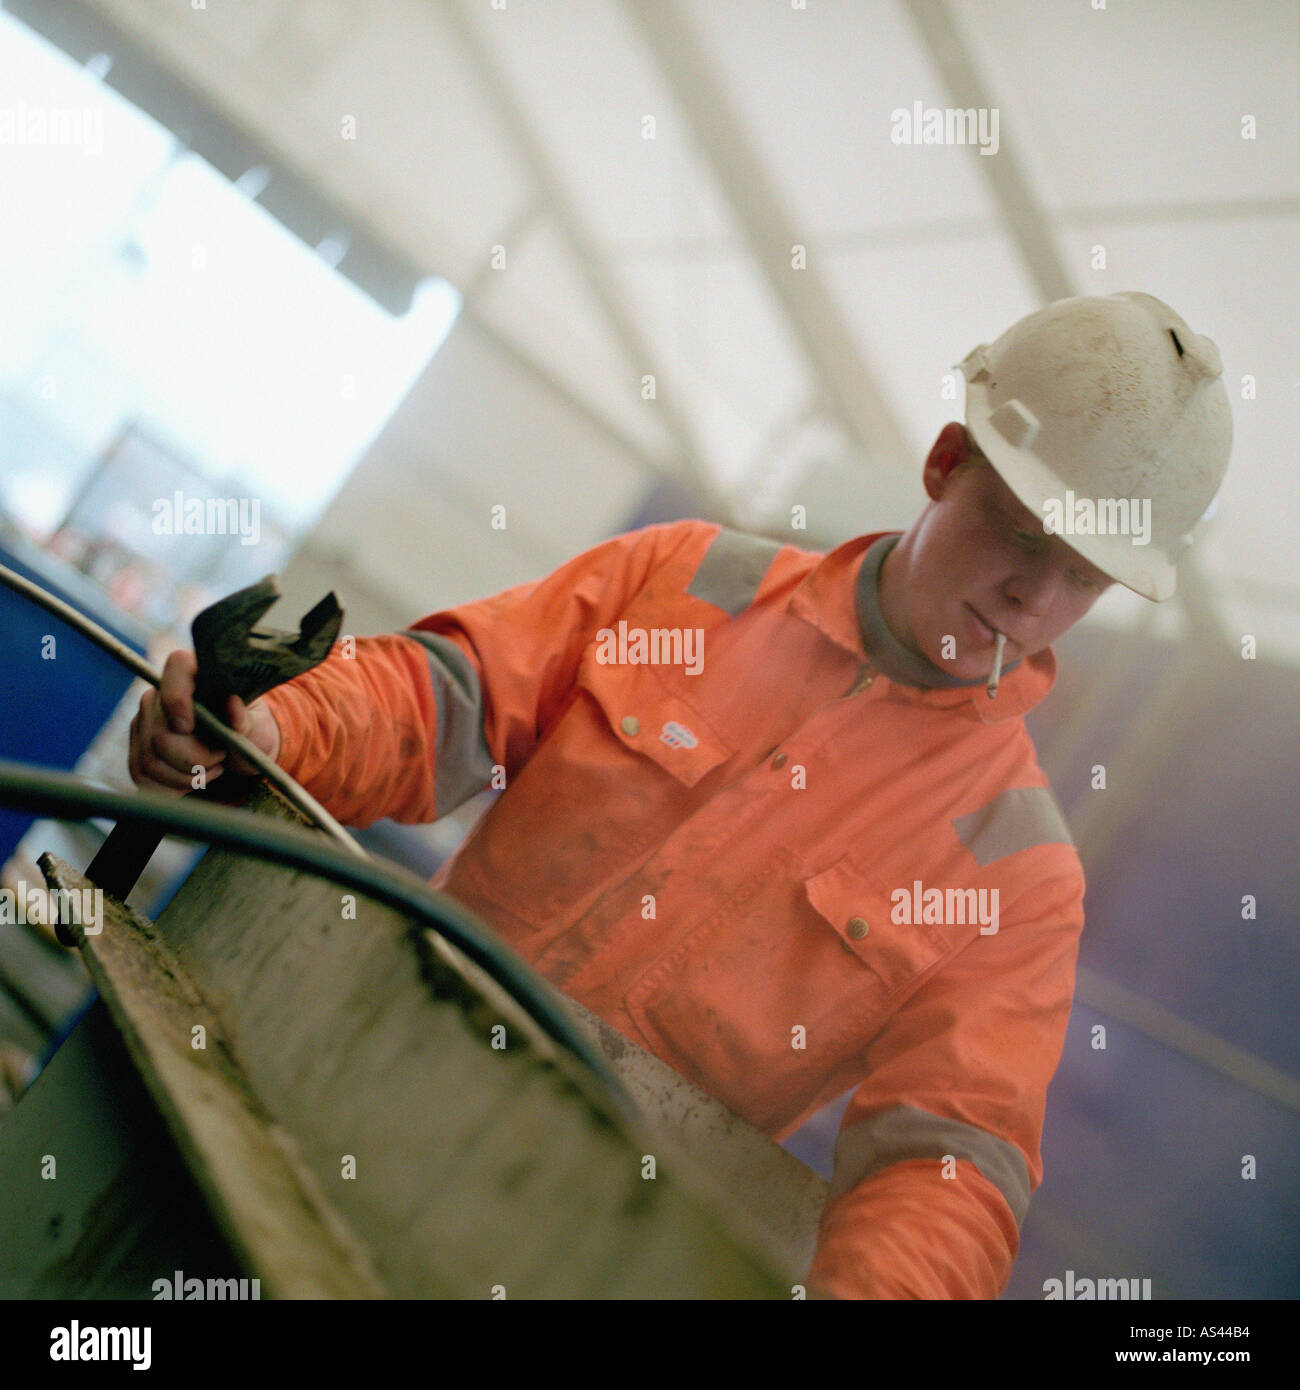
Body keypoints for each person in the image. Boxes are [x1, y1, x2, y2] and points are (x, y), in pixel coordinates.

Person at [128, 291, 1232, 1298]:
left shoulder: (1018, 880)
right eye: (1022, 534)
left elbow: (951, 1163)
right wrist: (271, 726)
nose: (1031, 596)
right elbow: (442, 703)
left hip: (561, 1248)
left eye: (1082, 576)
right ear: (947, 461)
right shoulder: (683, 582)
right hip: (335, 1070)